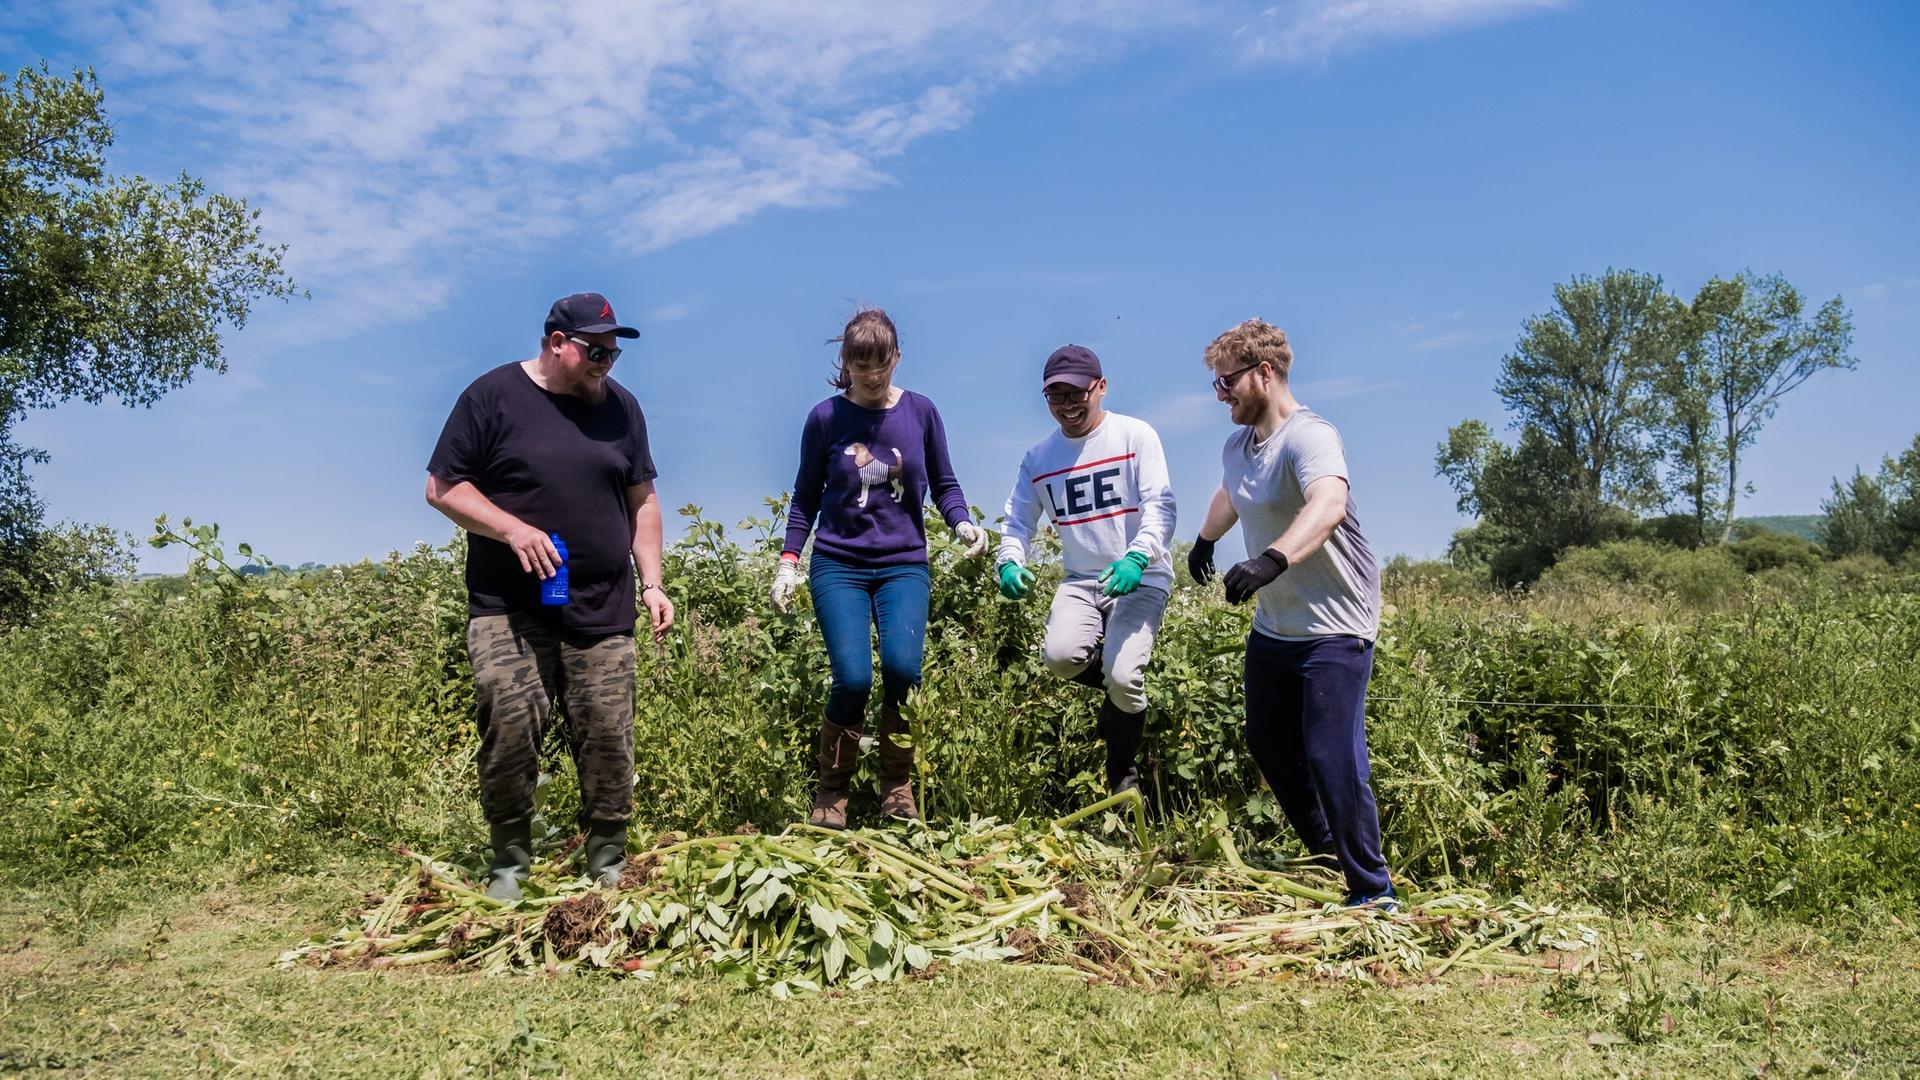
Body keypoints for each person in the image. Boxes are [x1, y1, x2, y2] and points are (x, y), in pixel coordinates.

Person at [425, 292, 674, 901]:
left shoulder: (623, 410)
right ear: (556, 342)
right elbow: (442, 488)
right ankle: (509, 862)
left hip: (601, 605)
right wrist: (512, 529)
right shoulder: (491, 396)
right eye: (595, 350)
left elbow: (642, 502)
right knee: (510, 720)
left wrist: (653, 582)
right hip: (509, 606)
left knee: (609, 730)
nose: (605, 363)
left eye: (613, 354)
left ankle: (606, 859)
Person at [1188, 318, 1395, 907]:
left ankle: (1372, 890)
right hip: (1276, 627)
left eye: (1226, 383)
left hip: (1336, 627)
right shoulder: (1238, 446)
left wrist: (1272, 559)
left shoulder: (1311, 437)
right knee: (1269, 743)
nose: (1220, 395)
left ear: (1265, 374)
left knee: (1333, 755)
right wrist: (1205, 541)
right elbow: (1233, 493)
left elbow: (1328, 502)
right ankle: (1330, 851)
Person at [772, 308, 990, 829]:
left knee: (902, 670)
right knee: (852, 677)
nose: (871, 376)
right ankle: (832, 791)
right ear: (844, 361)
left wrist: (962, 523)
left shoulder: (921, 412)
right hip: (839, 564)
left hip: (903, 564)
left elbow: (945, 483)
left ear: (897, 358)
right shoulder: (825, 418)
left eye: (881, 364)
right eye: (860, 364)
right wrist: (787, 562)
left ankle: (896, 784)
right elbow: (805, 498)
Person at [994, 345, 1176, 793]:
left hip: (1141, 575)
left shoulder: (1135, 436)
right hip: (1081, 580)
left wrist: (1139, 555)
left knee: (1121, 674)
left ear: (1101, 387)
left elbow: (1161, 506)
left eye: (1077, 394)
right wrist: (1009, 562)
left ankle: (1123, 776)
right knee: (1058, 658)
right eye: (1056, 397)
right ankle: (1124, 699)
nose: (1068, 407)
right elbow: (1017, 519)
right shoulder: (1039, 459)